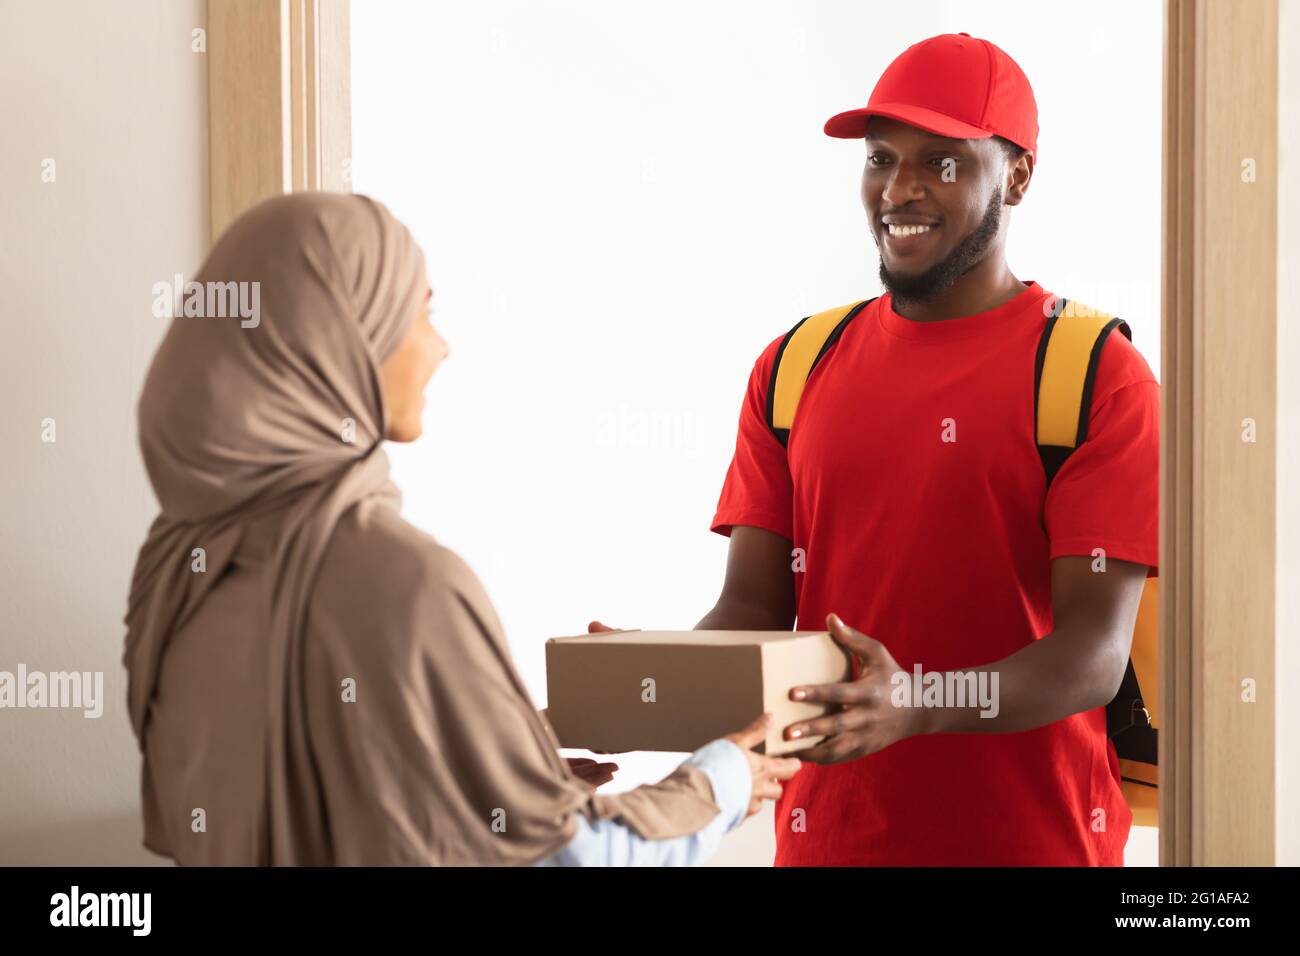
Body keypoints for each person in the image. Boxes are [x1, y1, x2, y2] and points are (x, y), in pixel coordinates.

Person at [592, 32, 1159, 866]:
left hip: (1036, 846)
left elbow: (1091, 657)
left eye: (943, 162)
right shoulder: (794, 366)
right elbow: (755, 611)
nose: (901, 189)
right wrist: (649, 679)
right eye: (882, 158)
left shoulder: (1089, 372)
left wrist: (919, 703)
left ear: (1018, 176)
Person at [123, 192, 799, 866]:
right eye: (421, 311)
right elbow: (578, 859)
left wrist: (504, 763)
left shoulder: (175, 572)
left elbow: (323, 768)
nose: (441, 346)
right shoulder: (398, 578)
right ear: (341, 331)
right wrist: (726, 779)